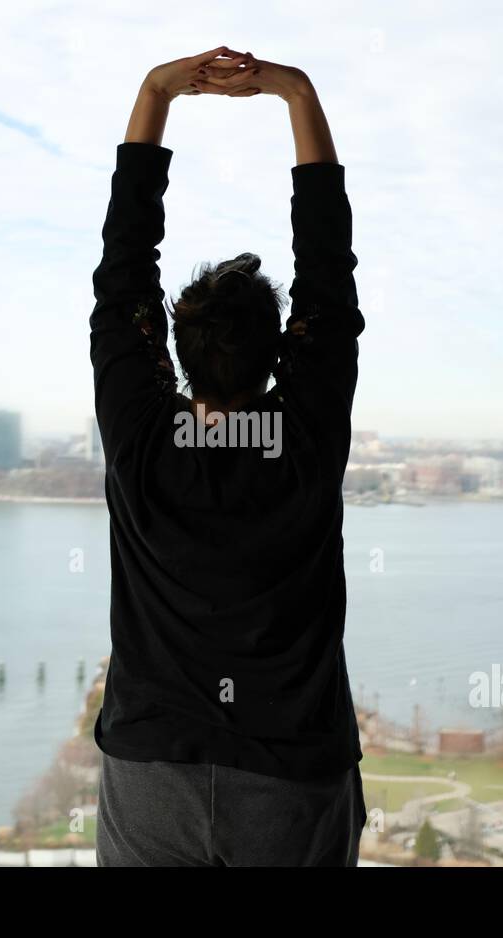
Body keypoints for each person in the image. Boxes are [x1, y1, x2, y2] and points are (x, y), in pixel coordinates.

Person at [88, 46, 367, 866]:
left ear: (175, 347)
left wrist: (155, 93)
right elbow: (329, 272)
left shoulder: (142, 435)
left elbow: (122, 275)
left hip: (152, 771)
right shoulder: (306, 432)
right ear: (280, 351)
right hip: (292, 776)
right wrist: (295, 93)